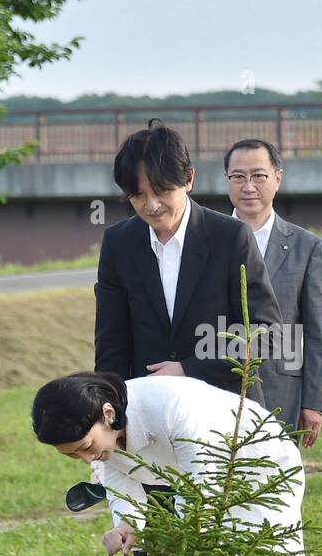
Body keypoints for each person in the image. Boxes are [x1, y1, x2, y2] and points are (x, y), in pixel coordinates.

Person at [32, 371, 311, 556]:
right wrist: (127, 524)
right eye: (72, 455)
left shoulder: (172, 406)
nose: (85, 458)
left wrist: (173, 542)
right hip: (205, 482)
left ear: (108, 414)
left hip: (262, 473)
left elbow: (199, 486)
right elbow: (121, 481)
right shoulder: (105, 437)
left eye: (86, 446)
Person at [94, 119, 283, 404]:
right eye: (139, 195)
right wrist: (110, 413)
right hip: (149, 414)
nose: (152, 205)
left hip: (226, 410)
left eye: (162, 191)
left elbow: (267, 335)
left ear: (189, 179)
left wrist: (189, 369)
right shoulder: (118, 243)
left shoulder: (231, 237)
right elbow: (111, 346)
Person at [225, 138, 322, 446]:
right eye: (238, 176)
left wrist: (314, 402)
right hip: (216, 387)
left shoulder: (307, 248)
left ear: (277, 178)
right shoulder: (204, 241)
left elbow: (318, 332)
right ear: (227, 181)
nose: (248, 186)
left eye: (259, 176)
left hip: (281, 392)